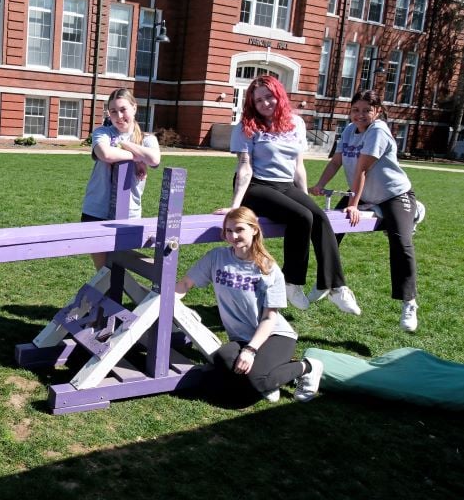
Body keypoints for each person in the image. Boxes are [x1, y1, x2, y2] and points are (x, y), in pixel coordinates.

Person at [218, 75, 360, 315]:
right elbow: (244, 167)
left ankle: (336, 286)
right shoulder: (247, 127)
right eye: (258, 100)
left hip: (285, 185)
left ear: (279, 95)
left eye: (268, 97)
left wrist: (304, 196)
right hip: (257, 186)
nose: (264, 104)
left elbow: (298, 166)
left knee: (318, 217)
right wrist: (235, 206)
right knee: (301, 217)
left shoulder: (296, 123)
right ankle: (292, 283)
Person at [175, 207, 324, 403]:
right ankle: (269, 377)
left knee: (256, 383)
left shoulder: (269, 268)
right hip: (241, 338)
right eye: (228, 230)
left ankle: (307, 367)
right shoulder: (216, 257)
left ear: (254, 230)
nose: (233, 235)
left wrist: (250, 351)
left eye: (239, 229)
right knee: (220, 359)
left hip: (274, 336)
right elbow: (185, 284)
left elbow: (270, 318)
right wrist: (164, 303)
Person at [310, 90, 420, 332]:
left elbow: (362, 169)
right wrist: (320, 184)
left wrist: (352, 204)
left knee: (401, 242)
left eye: (366, 110)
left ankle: (409, 302)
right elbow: (337, 161)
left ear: (377, 111)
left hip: (394, 194)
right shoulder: (349, 130)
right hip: (362, 194)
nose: (359, 115)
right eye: (355, 110)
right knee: (326, 231)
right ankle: (327, 283)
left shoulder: (378, 131)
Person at [81, 88, 161, 269]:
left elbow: (155, 159)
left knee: (120, 268)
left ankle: (116, 297)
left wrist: (124, 144)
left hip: (129, 213)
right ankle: (108, 296)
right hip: (96, 210)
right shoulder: (103, 133)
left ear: (134, 108)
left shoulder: (147, 139)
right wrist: (137, 157)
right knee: (103, 271)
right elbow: (106, 154)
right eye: (113, 111)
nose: (119, 116)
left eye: (123, 109)